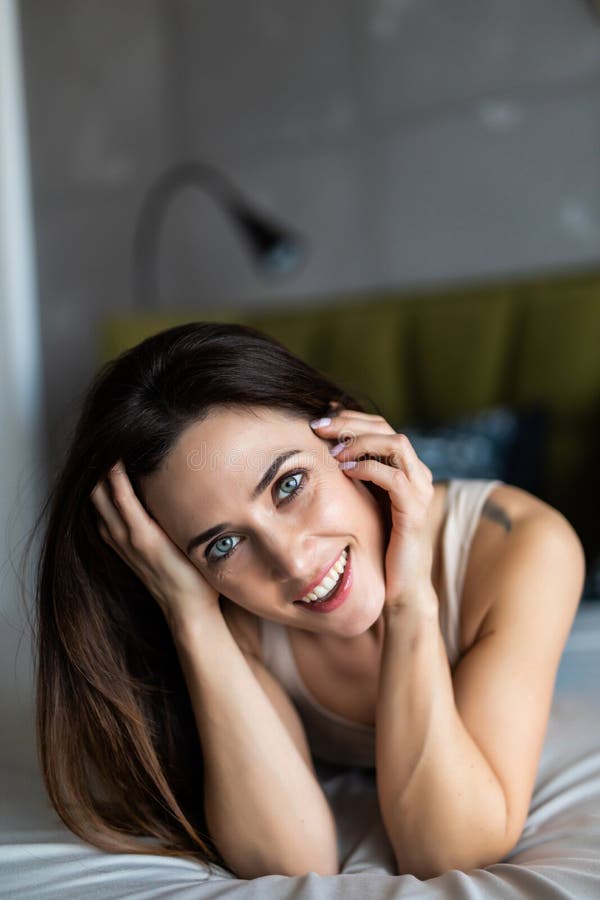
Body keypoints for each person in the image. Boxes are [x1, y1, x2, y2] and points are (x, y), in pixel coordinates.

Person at [33, 321, 585, 881]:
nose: (293, 564)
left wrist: (409, 597)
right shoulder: (231, 614)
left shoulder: (519, 546)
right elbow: (290, 863)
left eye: (289, 485)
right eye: (224, 543)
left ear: (342, 430)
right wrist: (191, 616)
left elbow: (449, 854)